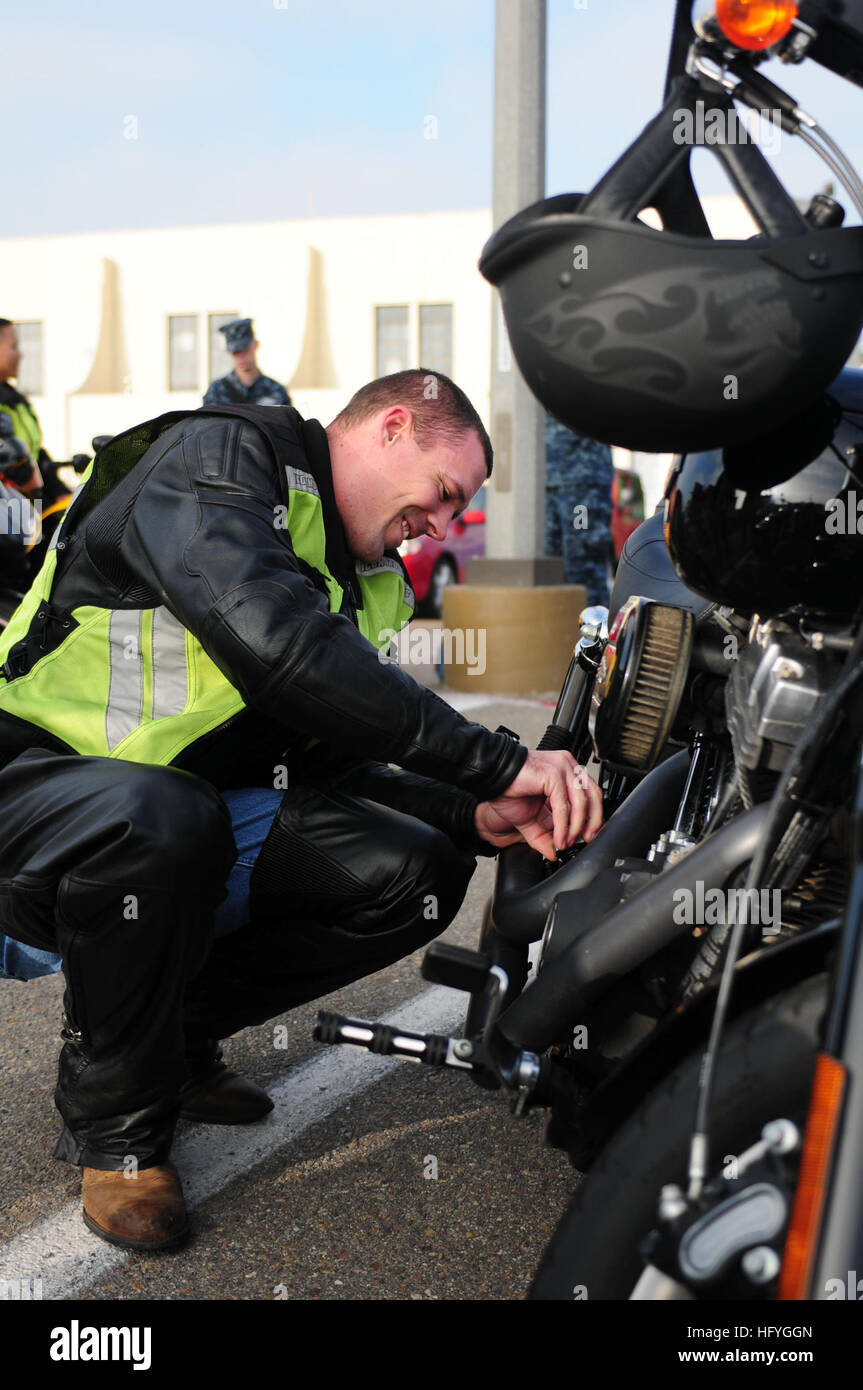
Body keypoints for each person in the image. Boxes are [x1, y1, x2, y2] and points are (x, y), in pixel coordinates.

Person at [0, 369, 603, 1252]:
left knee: (417, 873)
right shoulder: (217, 458)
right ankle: (117, 1131)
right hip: (31, 791)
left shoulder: (362, 577)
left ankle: (165, 1044)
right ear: (392, 426)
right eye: (443, 494)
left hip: (160, 822)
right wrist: (499, 761)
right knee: (164, 813)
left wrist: (470, 813)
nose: (442, 527)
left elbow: (327, 756)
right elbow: (281, 644)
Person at [545, 413, 614, 607]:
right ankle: (563, 631)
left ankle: (594, 632)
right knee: (551, 565)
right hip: (547, 483)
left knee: (583, 562)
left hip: (582, 485)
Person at [202, 317, 292, 407]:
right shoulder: (216, 392)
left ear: (255, 344)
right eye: (235, 352)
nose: (241, 356)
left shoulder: (276, 391)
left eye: (244, 349)